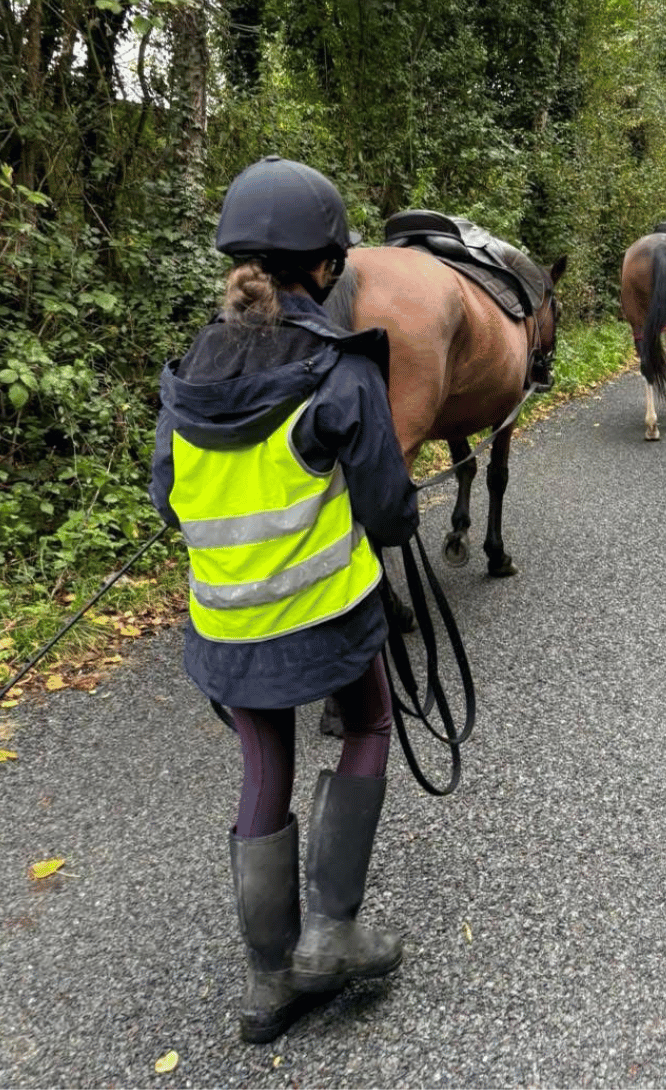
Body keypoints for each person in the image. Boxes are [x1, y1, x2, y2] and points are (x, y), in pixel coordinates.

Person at [149, 156, 419, 1044]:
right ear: (329, 265)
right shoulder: (338, 366)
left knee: (264, 763)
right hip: (326, 616)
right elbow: (387, 510)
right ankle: (331, 931)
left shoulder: (190, 369)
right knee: (368, 723)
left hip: (226, 621)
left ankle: (269, 981)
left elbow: (167, 498)